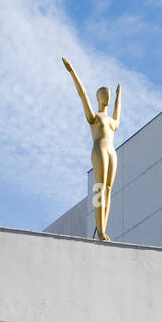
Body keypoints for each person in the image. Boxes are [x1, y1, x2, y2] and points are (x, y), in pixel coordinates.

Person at [62, 57, 120, 240]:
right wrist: (73, 72)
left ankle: (104, 226)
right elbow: (83, 94)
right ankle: (100, 229)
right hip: (100, 150)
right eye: (105, 94)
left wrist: (119, 96)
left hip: (112, 151)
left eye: (109, 95)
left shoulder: (111, 121)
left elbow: (117, 115)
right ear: (99, 97)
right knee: (100, 187)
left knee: (109, 189)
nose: (107, 97)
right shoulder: (94, 117)